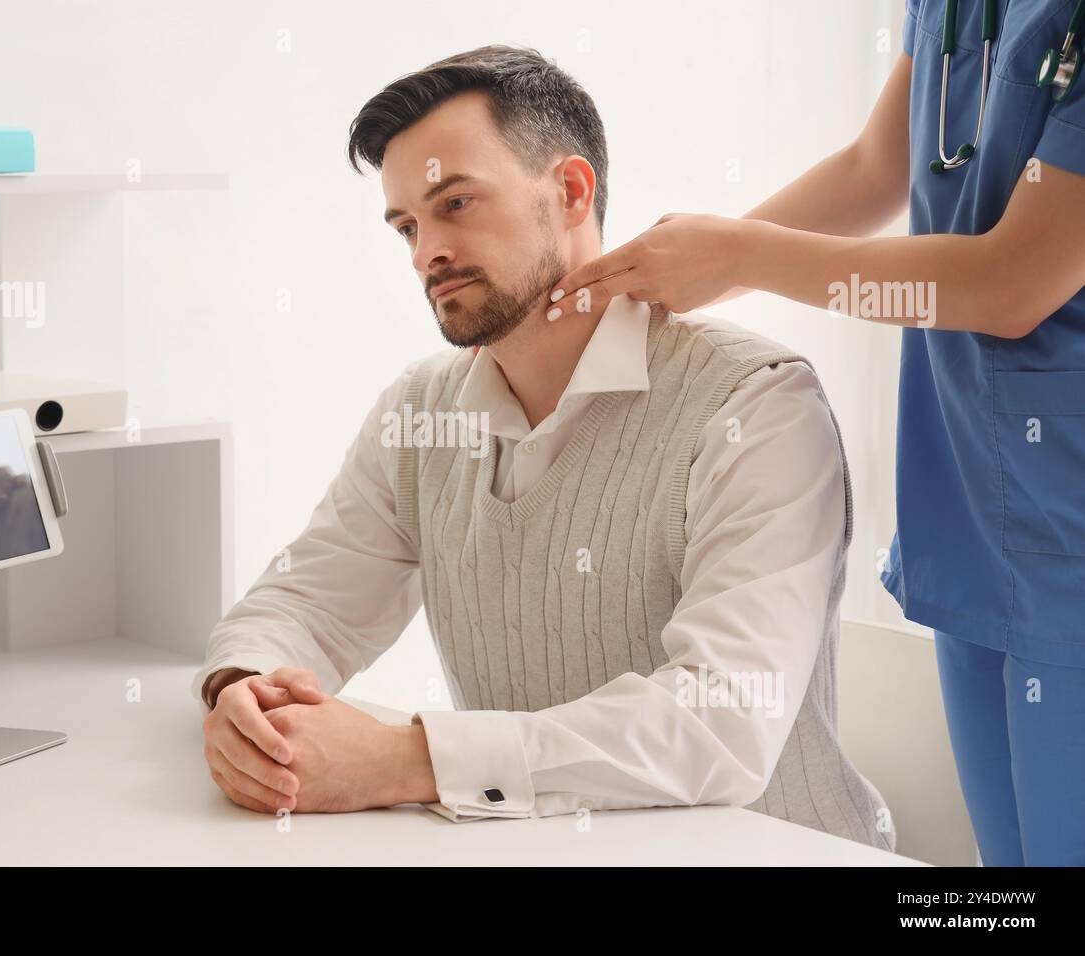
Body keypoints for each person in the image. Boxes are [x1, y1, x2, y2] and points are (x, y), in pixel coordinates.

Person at [195, 45, 895, 851]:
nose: (426, 253)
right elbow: (309, 598)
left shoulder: (756, 404)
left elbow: (721, 724)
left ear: (569, 192)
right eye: (408, 226)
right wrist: (241, 693)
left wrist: (405, 759)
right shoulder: (422, 411)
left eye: (454, 203)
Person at [542, 1, 1085, 866]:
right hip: (973, 515)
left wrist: (741, 256)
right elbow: (878, 167)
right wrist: (683, 282)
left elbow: (1016, 282)